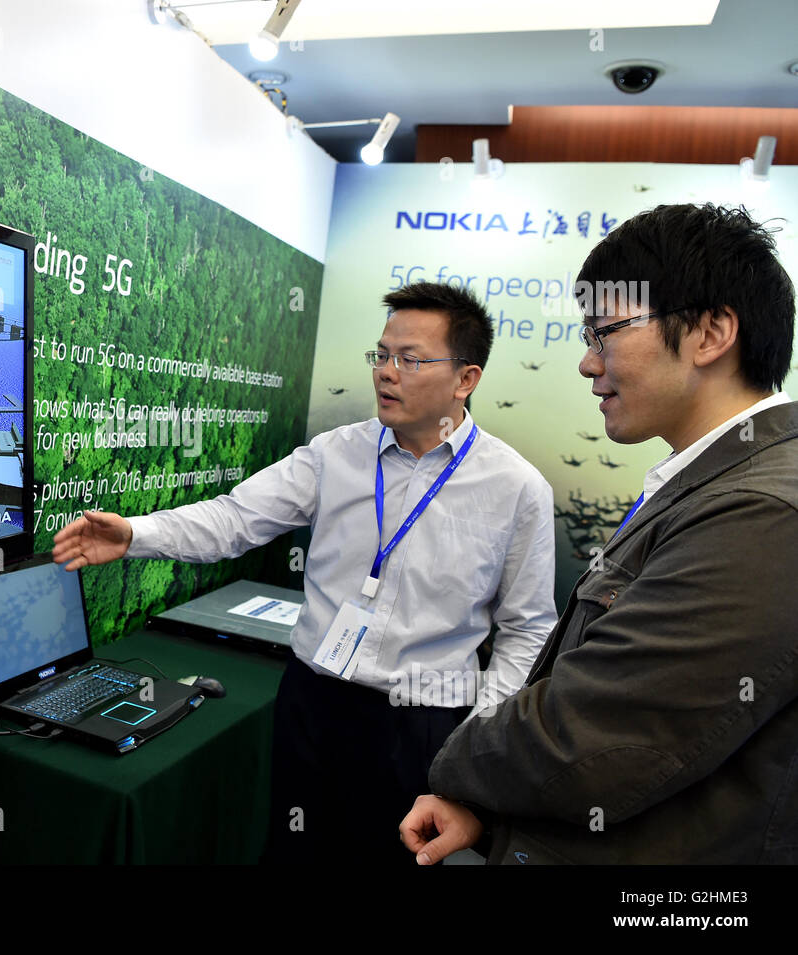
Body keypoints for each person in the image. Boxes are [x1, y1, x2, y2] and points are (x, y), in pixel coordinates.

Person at [53, 282, 558, 863]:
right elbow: (235, 519)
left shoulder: (515, 489)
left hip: (423, 723)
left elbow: (526, 631)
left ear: (465, 379)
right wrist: (138, 534)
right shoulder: (335, 453)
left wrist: (478, 748)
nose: (386, 373)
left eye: (411, 359)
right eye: (381, 354)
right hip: (313, 705)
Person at [401, 203, 798, 865]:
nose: (589, 364)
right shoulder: (716, 482)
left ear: (710, 333)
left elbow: (595, 737)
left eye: (605, 332)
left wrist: (454, 763)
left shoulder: (764, 511)